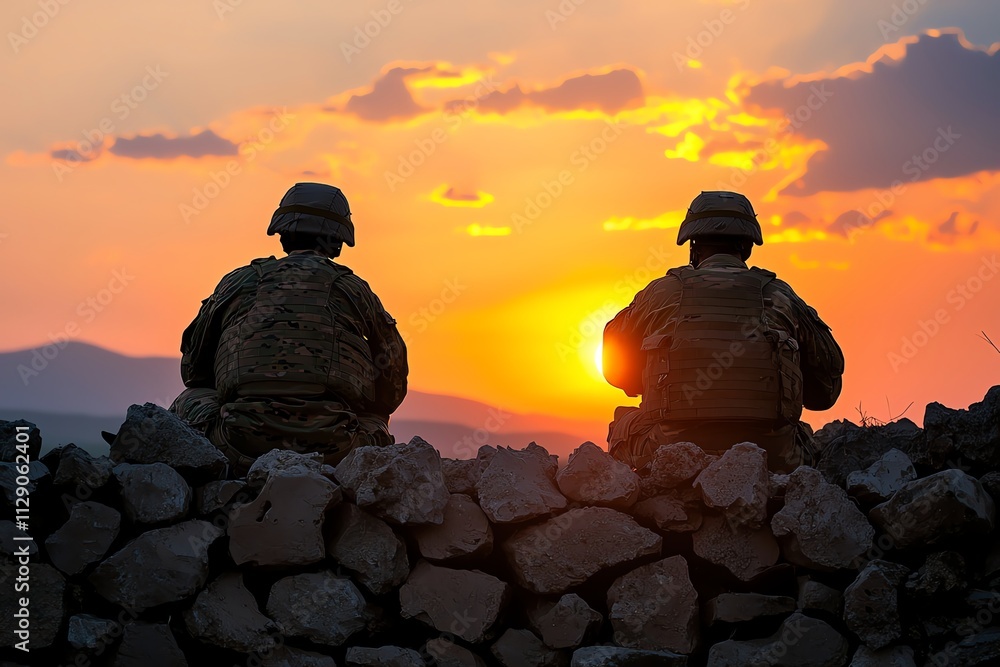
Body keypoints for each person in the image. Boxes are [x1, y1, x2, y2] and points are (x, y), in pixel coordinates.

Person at [169, 182, 407, 474]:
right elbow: (392, 383)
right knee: (376, 416)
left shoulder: (238, 282)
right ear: (339, 240)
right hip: (338, 449)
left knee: (190, 398)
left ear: (282, 234)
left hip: (236, 444)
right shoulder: (354, 290)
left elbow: (194, 372)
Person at [602, 191, 844, 472]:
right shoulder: (781, 295)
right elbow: (825, 393)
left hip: (668, 452)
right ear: (748, 246)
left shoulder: (661, 292)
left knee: (623, 424)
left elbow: (615, 370)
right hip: (773, 455)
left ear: (693, 245)